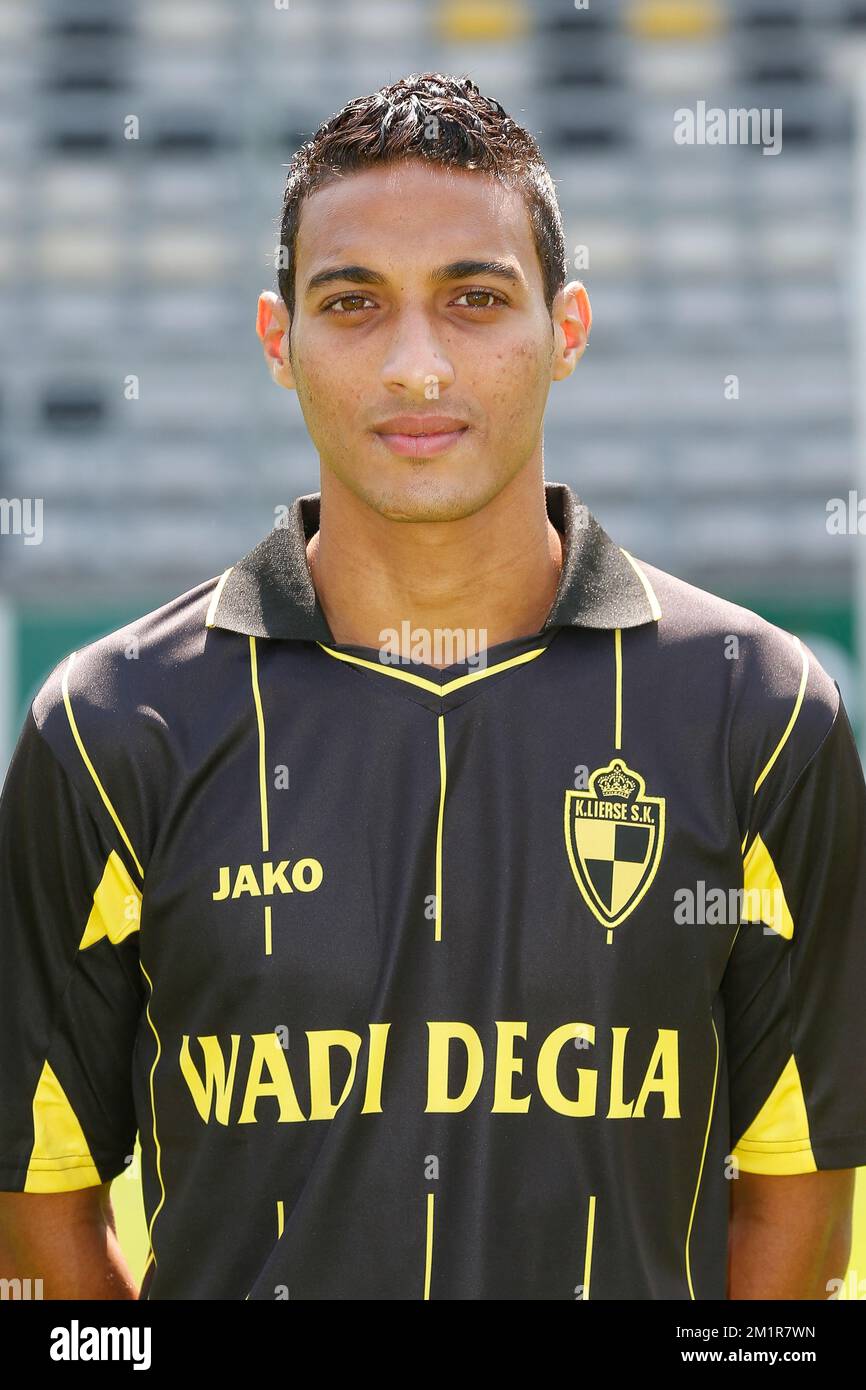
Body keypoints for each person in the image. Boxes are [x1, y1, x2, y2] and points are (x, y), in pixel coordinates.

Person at [0, 72, 864, 1301]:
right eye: (352, 303)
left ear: (564, 330)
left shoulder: (758, 714)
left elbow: (794, 1199)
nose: (414, 366)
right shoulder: (106, 729)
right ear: (277, 340)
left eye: (473, 298)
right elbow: (38, 1216)